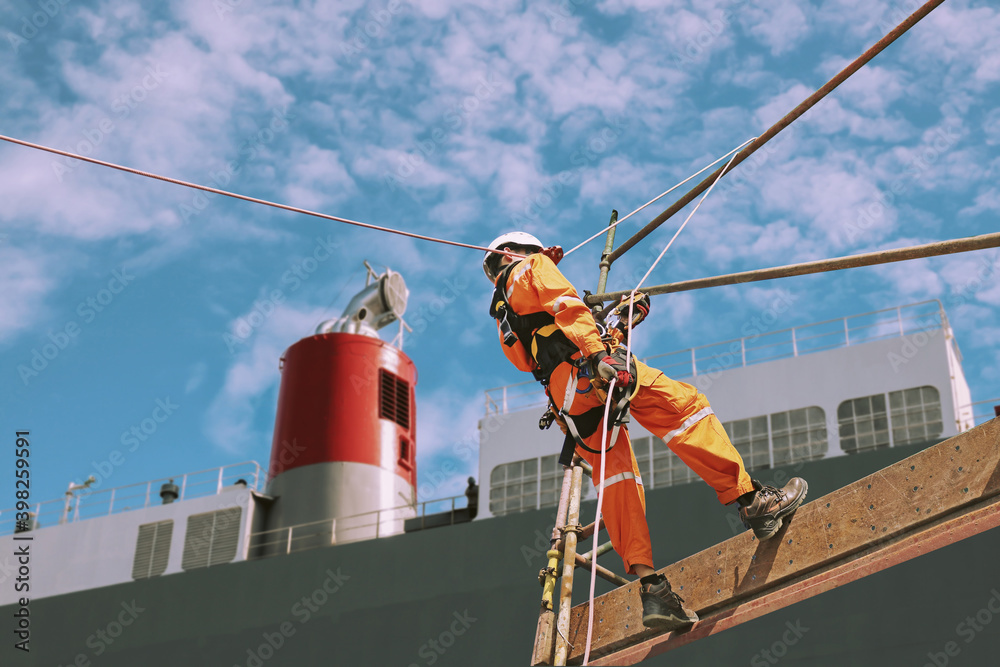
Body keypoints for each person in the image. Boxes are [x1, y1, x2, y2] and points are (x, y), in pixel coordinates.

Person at [483, 231, 807, 631]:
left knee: (617, 480)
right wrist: (600, 353)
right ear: (513, 253)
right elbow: (566, 305)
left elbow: (548, 346)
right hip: (589, 370)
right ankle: (753, 501)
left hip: (567, 399)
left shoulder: (504, 315)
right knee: (684, 410)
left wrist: (618, 324)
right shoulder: (532, 267)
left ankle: (652, 588)